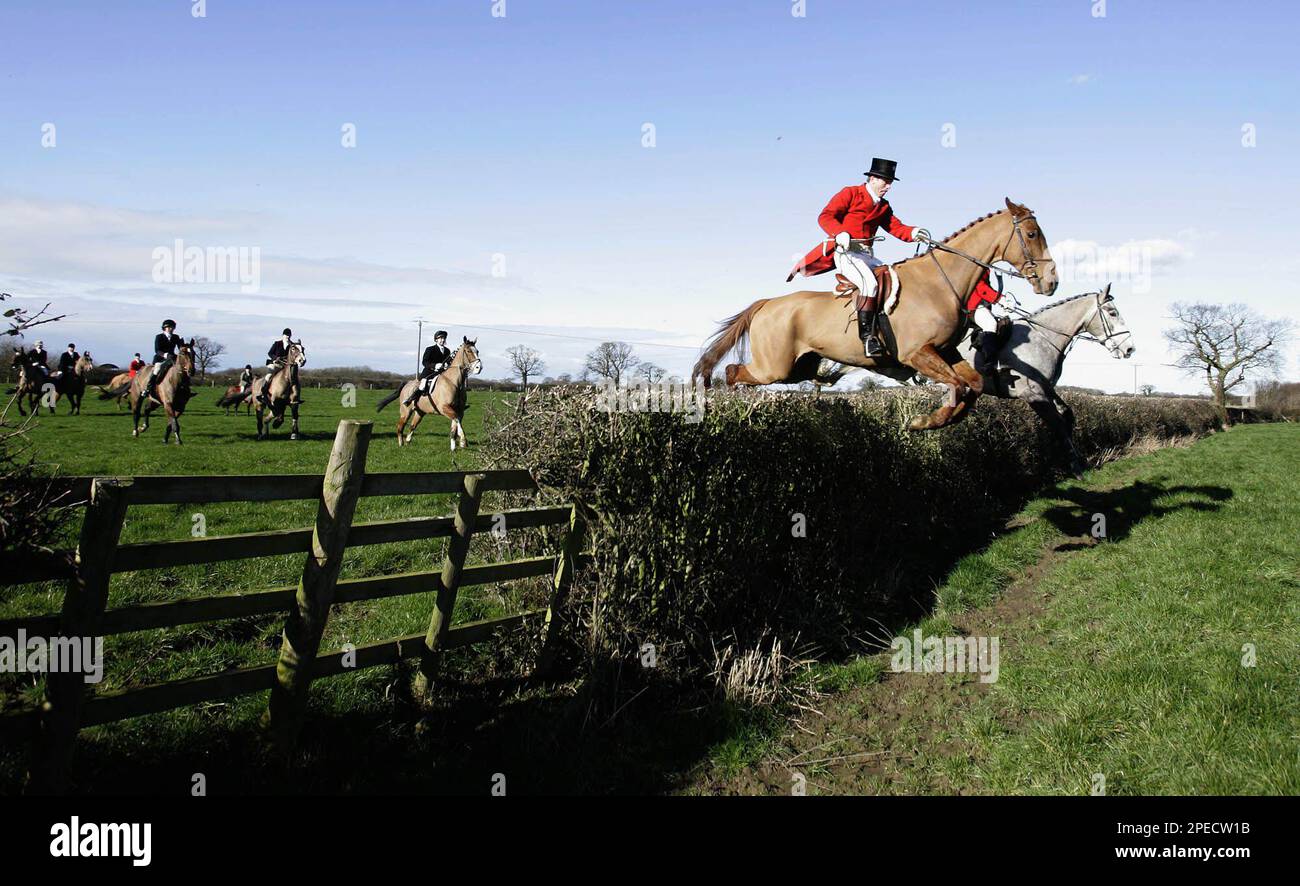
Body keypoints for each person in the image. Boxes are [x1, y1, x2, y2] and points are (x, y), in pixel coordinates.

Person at [789, 158, 931, 358]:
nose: (888, 187)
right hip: (847, 253)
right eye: (885, 181)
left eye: (890, 183)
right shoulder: (850, 193)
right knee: (869, 283)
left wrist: (914, 232)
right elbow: (825, 216)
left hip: (867, 255)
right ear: (872, 178)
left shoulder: (883, 206)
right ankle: (868, 338)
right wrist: (839, 233)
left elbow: (896, 227)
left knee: (894, 279)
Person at [404, 330, 452, 406]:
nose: (442, 340)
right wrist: (435, 365)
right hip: (430, 372)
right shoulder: (430, 349)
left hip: (442, 373)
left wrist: (447, 365)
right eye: (440, 338)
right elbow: (425, 362)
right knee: (423, 384)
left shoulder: (447, 351)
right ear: (436, 339)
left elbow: (449, 362)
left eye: (444, 338)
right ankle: (411, 399)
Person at [145, 319, 184, 402]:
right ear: (164, 328)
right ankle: (148, 387)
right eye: (169, 327)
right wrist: (166, 354)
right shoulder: (159, 337)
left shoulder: (176, 337)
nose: (171, 329)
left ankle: (185, 388)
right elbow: (157, 350)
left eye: (172, 327)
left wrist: (184, 345)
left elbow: (180, 347)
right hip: (161, 358)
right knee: (157, 369)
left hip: (172, 359)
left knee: (182, 370)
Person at [259, 328, 298, 408]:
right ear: (283, 335)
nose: (287, 336)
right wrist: (275, 357)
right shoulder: (277, 343)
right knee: (269, 375)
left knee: (293, 377)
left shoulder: (292, 345)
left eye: (289, 335)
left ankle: (294, 396)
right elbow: (270, 353)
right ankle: (263, 393)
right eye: (286, 335)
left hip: (285, 366)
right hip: (275, 363)